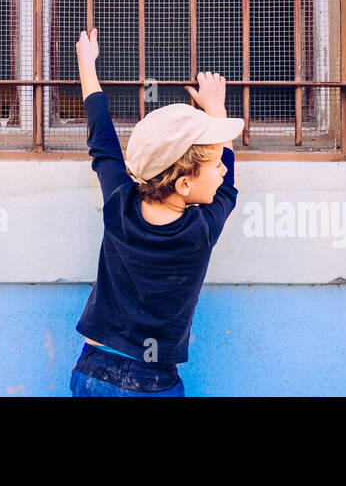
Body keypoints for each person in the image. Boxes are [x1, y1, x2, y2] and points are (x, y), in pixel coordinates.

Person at [69, 28, 243, 397]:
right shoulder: (202, 227)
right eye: (213, 168)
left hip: (92, 369)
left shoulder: (120, 200)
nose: (223, 171)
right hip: (151, 383)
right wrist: (216, 109)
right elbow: (228, 171)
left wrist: (87, 63)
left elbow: (102, 137)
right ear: (183, 185)